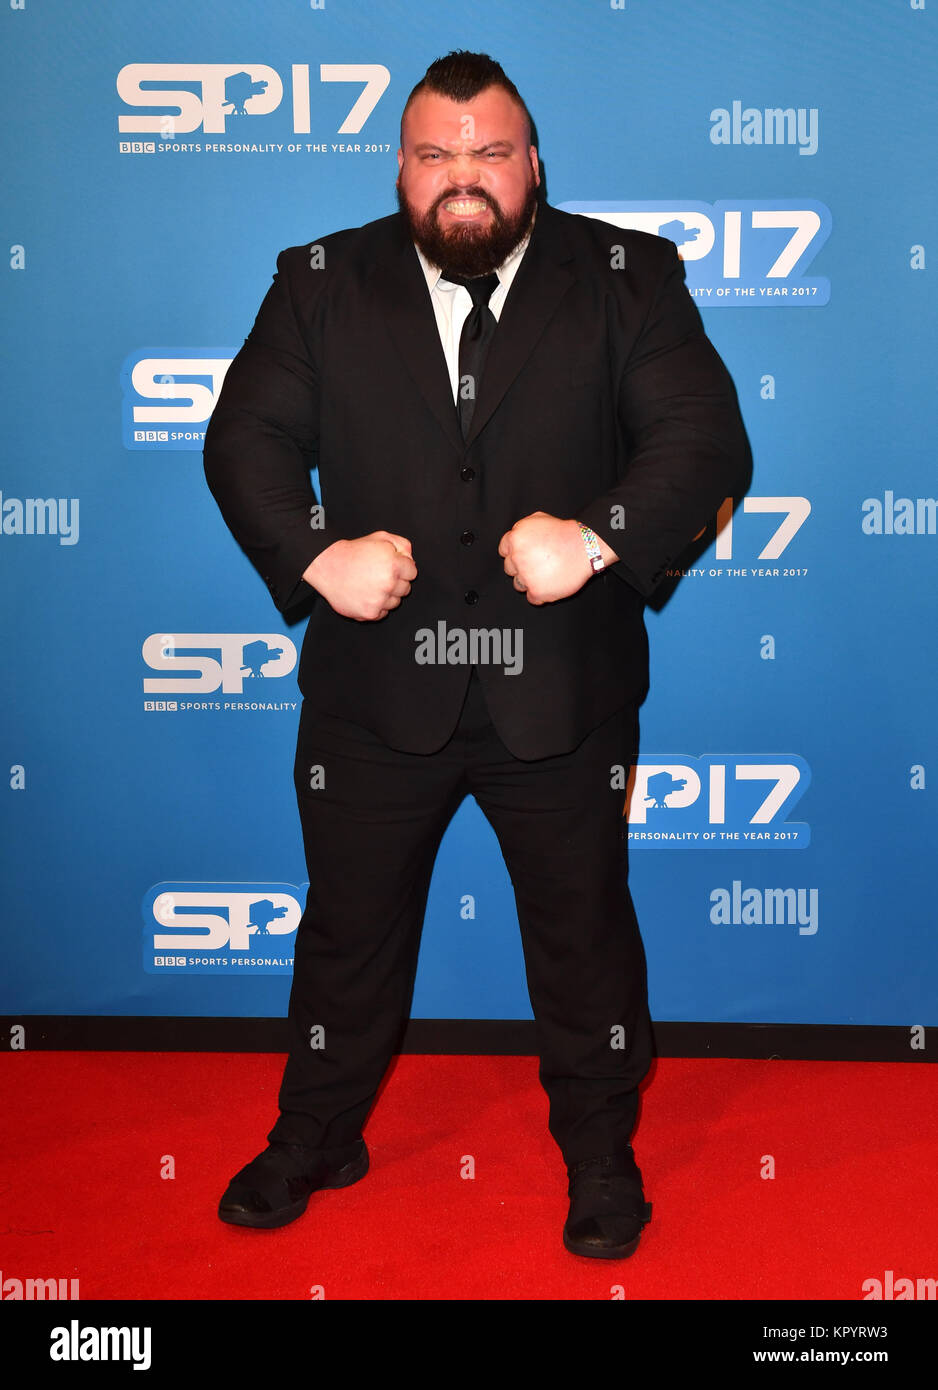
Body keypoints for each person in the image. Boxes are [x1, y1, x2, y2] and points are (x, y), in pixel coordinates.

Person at [203, 50, 751, 1260]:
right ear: (399, 166)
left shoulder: (626, 275)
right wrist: (312, 554)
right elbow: (243, 436)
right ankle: (315, 1133)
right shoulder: (318, 281)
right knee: (345, 933)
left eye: (489, 153)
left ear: (532, 165)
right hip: (371, 693)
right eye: (437, 154)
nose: (464, 178)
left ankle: (601, 1155)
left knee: (584, 936)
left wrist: (599, 539)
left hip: (561, 688)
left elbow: (702, 440)